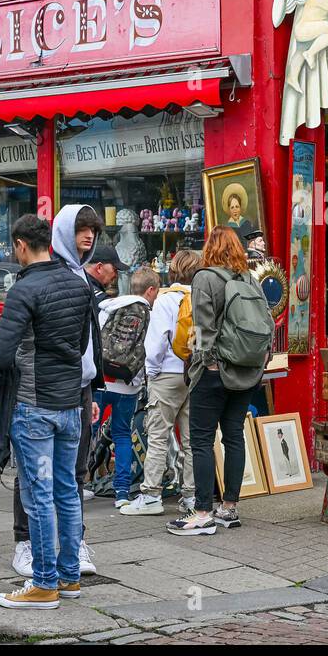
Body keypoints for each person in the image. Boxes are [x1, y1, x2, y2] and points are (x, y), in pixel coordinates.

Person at [0, 215, 92, 609]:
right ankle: (69, 577)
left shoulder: (23, 290)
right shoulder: (77, 283)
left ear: (19, 245)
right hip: (70, 406)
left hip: (34, 407)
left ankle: (44, 583)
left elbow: (0, 355)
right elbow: (82, 343)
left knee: (38, 495)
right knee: (68, 491)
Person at [11, 204, 103, 579]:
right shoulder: (51, 275)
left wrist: (93, 387)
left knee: (72, 474)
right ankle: (28, 545)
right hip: (41, 391)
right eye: (81, 228)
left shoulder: (82, 277)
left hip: (76, 389)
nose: (88, 236)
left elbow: (89, 341)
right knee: (36, 475)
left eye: (93, 230)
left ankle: (71, 547)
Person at [168, 228, 267, 535]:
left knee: (200, 440)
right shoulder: (250, 279)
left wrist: (204, 364)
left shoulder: (205, 278)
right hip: (248, 371)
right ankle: (230, 509)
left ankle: (201, 513)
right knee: (234, 436)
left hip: (215, 371)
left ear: (209, 249)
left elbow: (202, 327)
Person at [122, 249, 201, 517]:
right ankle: (191, 497)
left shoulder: (167, 300)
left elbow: (155, 344)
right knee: (192, 440)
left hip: (167, 374)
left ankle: (151, 495)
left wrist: (152, 372)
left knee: (157, 436)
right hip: (196, 373)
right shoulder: (203, 298)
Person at [97, 267, 158, 506]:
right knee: (123, 435)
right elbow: (150, 349)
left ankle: (76, 487)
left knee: (86, 434)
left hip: (103, 382)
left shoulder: (110, 307)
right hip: (128, 384)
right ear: (150, 290)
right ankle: (122, 492)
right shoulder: (147, 312)